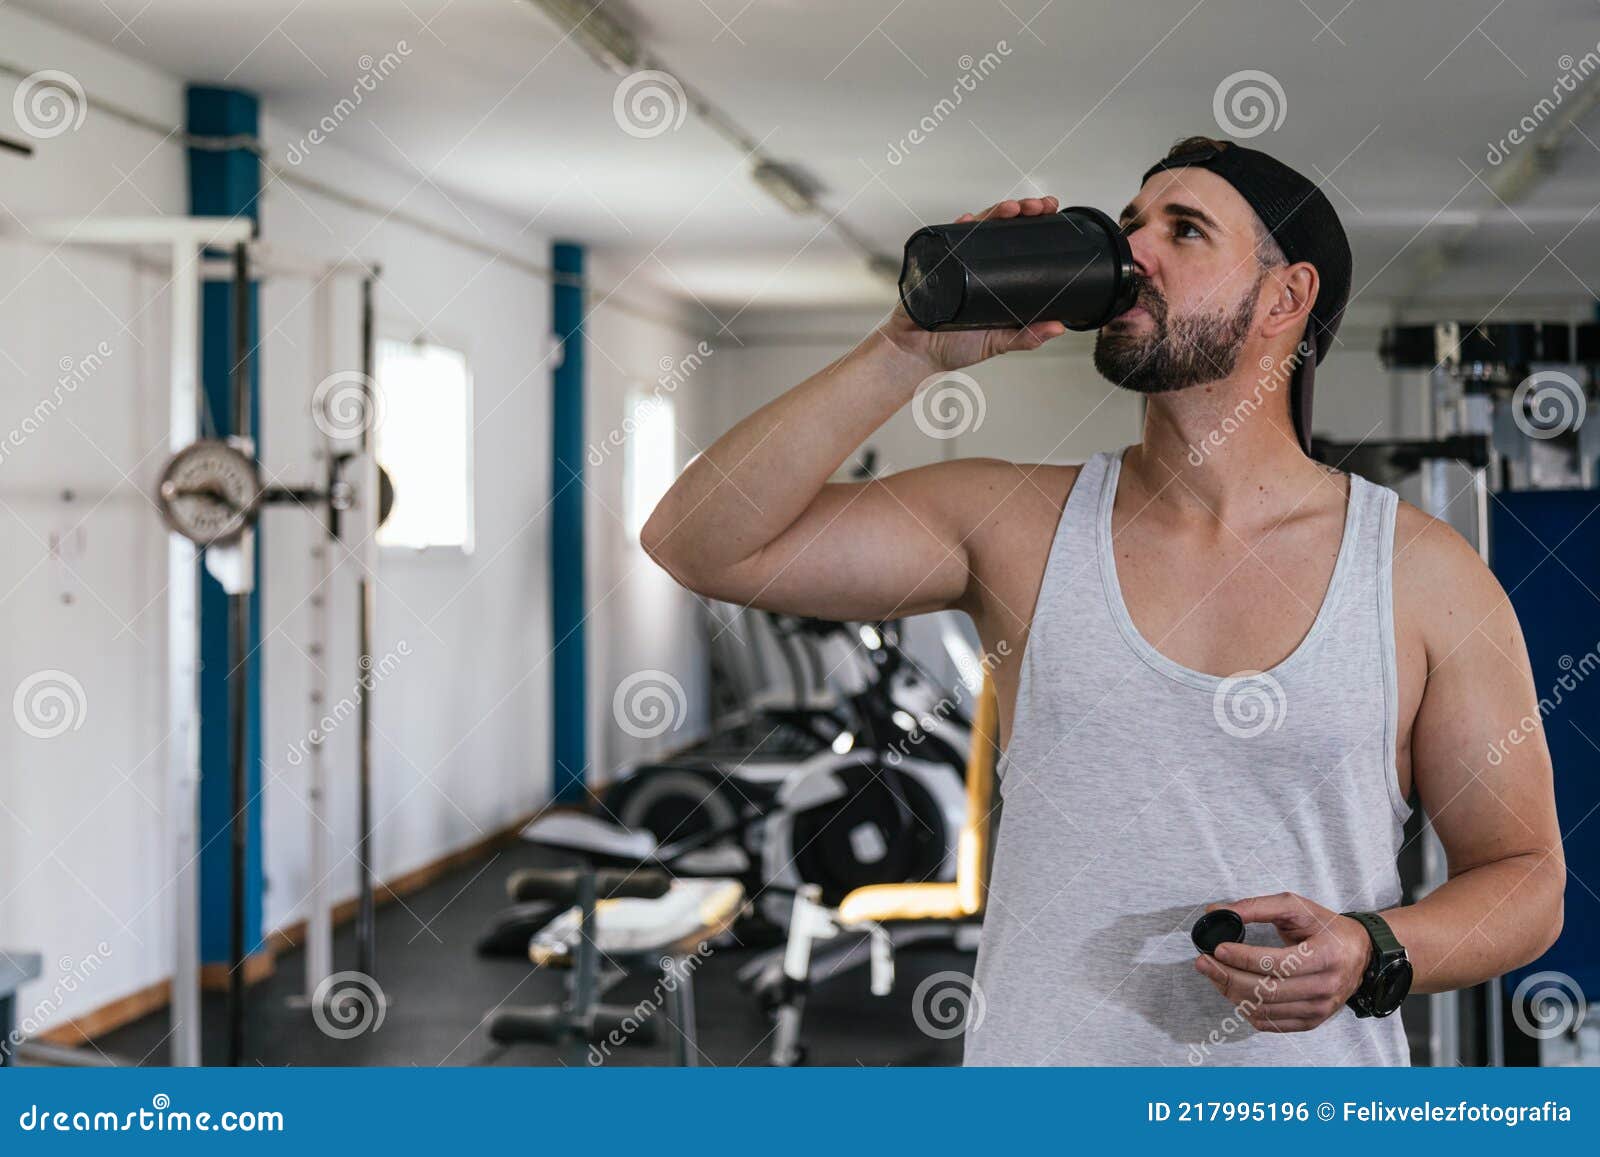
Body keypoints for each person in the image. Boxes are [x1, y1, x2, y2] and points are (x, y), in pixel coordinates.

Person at [640, 136, 1564, 1065]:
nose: (1134, 253)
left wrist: (1372, 948)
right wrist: (905, 351)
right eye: (1131, 225)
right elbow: (698, 541)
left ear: (1286, 298)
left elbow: (1525, 878)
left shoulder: (1419, 572)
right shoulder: (1013, 523)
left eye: (1184, 230)